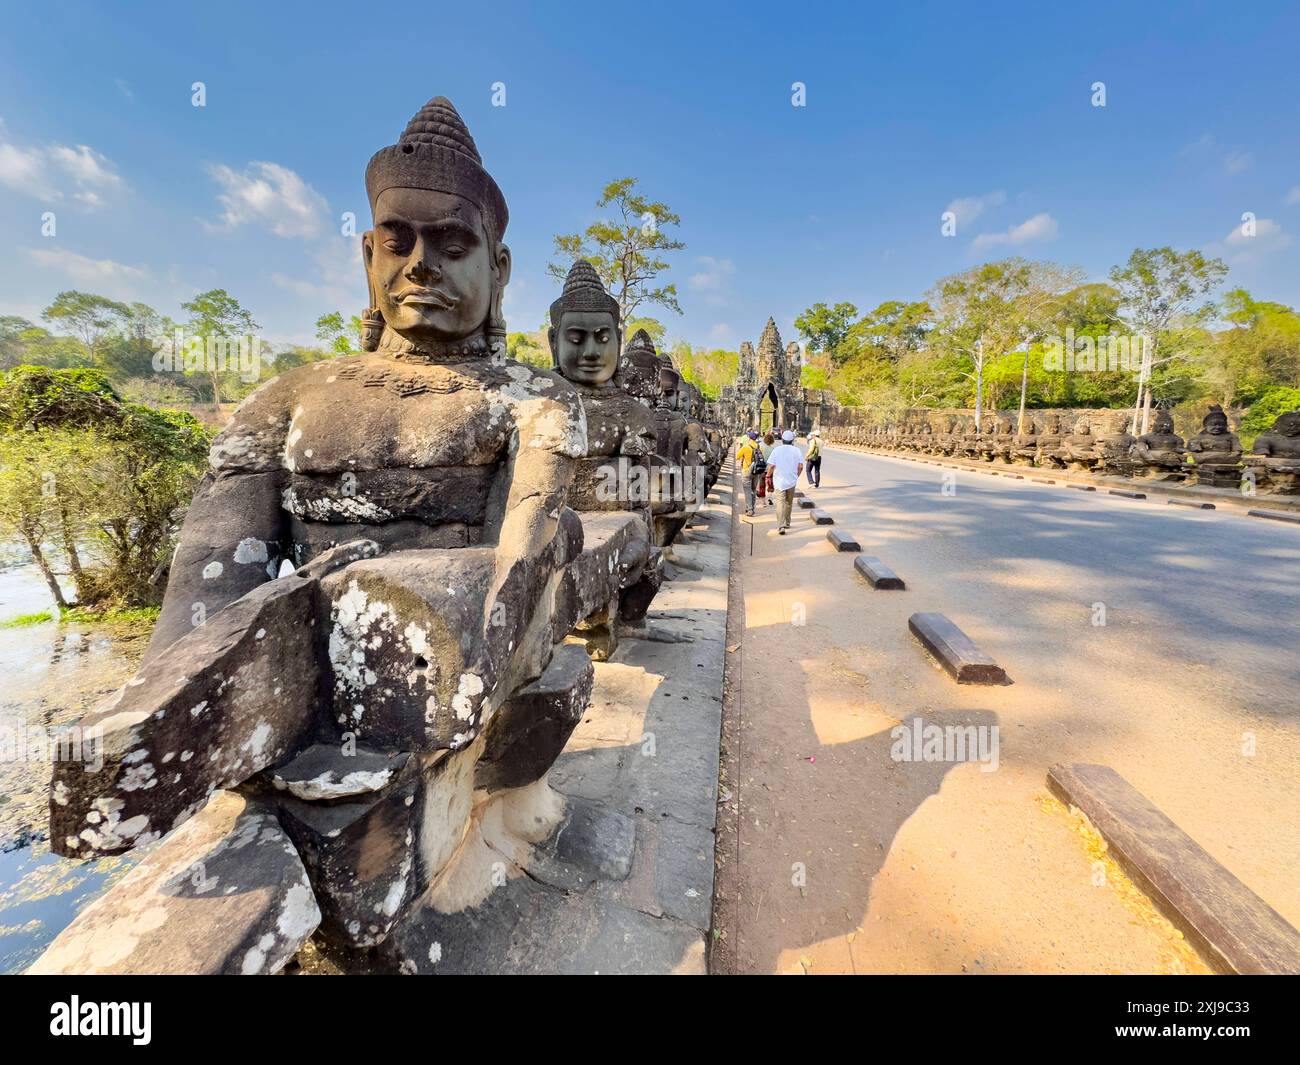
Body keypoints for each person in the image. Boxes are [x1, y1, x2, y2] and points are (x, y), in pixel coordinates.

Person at [768, 429, 804, 534]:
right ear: (792, 440)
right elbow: (801, 466)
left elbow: (771, 466)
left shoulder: (776, 450)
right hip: (791, 481)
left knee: (780, 502)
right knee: (789, 503)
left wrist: (768, 475)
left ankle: (781, 526)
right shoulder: (796, 450)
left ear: (782, 439)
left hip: (779, 481)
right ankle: (787, 523)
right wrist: (796, 476)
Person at [736, 430, 759, 515]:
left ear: (749, 438)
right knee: (753, 490)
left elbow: (737, 457)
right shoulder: (758, 446)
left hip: (746, 471)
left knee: (747, 491)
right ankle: (752, 508)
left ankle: (749, 510)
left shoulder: (746, 447)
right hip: (756, 471)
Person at [760, 430, 777, 505]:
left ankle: (763, 501)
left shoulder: (761, 447)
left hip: (761, 469)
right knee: (770, 485)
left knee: (762, 485)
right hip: (770, 469)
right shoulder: (773, 449)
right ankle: (769, 498)